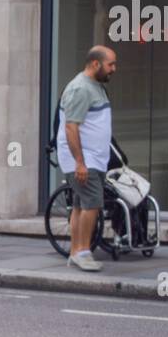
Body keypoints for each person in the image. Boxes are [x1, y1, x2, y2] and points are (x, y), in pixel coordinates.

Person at [57, 45, 117, 272]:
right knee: (92, 203)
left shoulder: (95, 87)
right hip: (84, 160)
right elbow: (71, 127)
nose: (114, 69)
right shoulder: (81, 89)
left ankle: (75, 252)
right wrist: (80, 162)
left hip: (94, 159)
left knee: (81, 205)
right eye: (110, 64)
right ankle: (83, 251)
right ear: (95, 63)